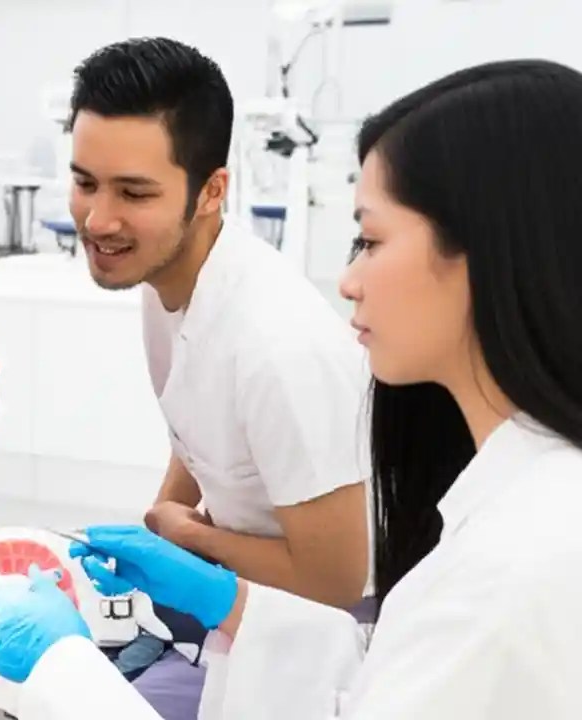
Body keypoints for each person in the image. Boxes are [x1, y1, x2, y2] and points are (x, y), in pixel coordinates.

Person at [0, 58, 582, 719]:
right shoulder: (510, 509)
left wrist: (64, 670)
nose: (347, 282)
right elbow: (370, 670)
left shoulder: (515, 570)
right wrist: (213, 588)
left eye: (369, 239)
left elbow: (354, 602)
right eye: (86, 182)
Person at [63, 37, 370, 717]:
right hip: (241, 615)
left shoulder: (278, 348)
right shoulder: (166, 279)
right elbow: (202, 417)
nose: (97, 219)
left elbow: (338, 579)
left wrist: (190, 542)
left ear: (211, 191)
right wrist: (155, 528)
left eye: (133, 192)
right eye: (85, 181)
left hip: (323, 645)